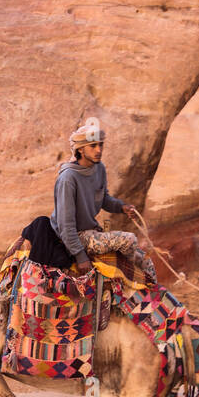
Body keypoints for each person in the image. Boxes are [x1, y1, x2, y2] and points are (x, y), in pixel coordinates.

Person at [50, 121, 157, 283]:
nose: (99, 150)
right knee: (129, 240)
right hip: (76, 236)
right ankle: (127, 279)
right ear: (80, 149)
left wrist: (122, 207)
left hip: (92, 231)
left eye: (100, 145)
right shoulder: (68, 178)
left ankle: (151, 292)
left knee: (145, 259)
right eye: (93, 146)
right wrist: (80, 256)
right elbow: (66, 225)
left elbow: (104, 199)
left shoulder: (99, 168)